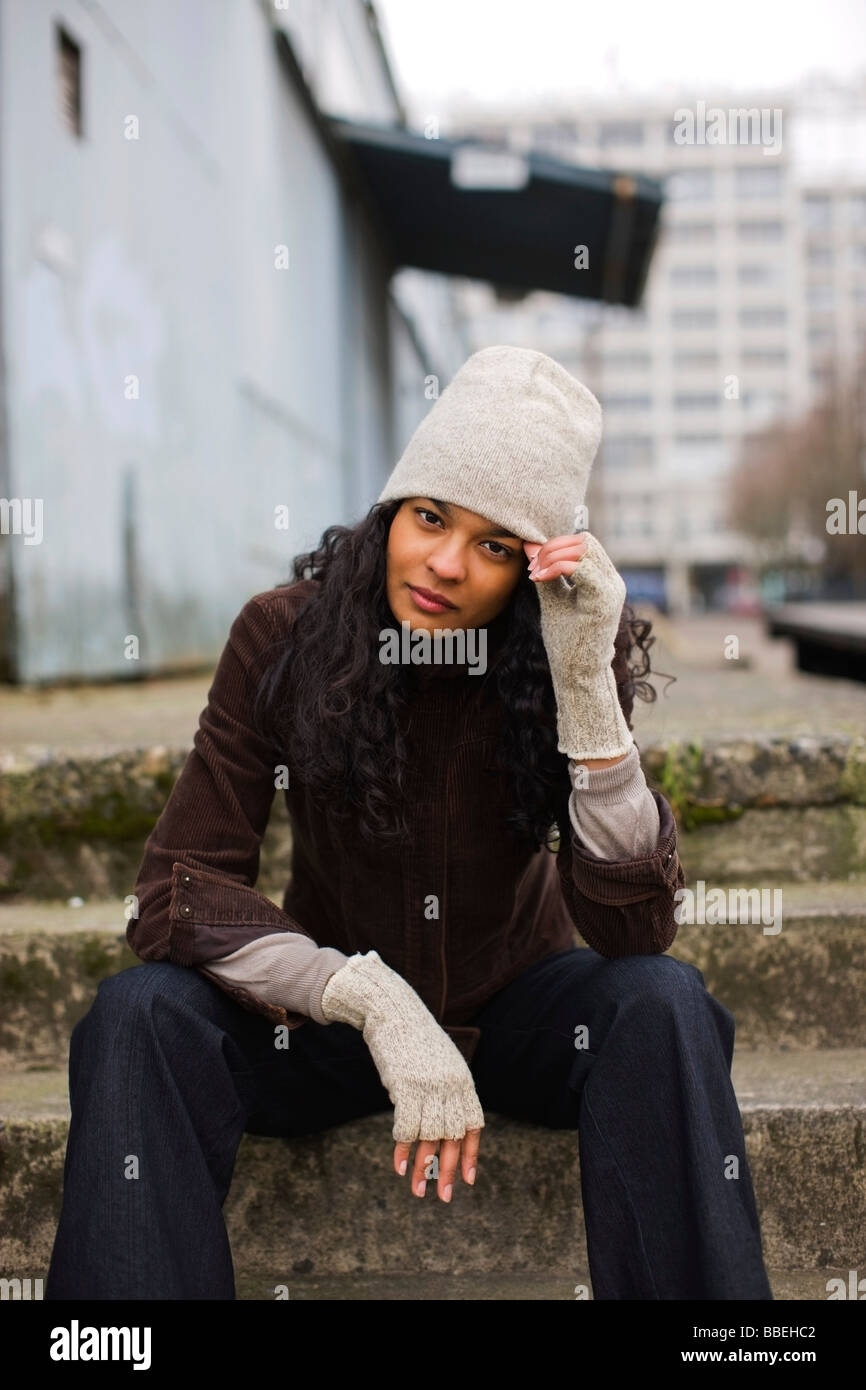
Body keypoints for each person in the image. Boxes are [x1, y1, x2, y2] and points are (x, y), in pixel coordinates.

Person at [45, 345, 773, 1301]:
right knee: (135, 1016)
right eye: (431, 517)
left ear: (531, 567)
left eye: (495, 544)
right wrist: (367, 999)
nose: (446, 564)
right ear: (394, 507)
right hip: (323, 1017)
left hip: (520, 1009)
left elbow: (633, 929)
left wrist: (589, 687)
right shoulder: (284, 634)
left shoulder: (557, 652)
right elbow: (176, 894)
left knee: (666, 1002)